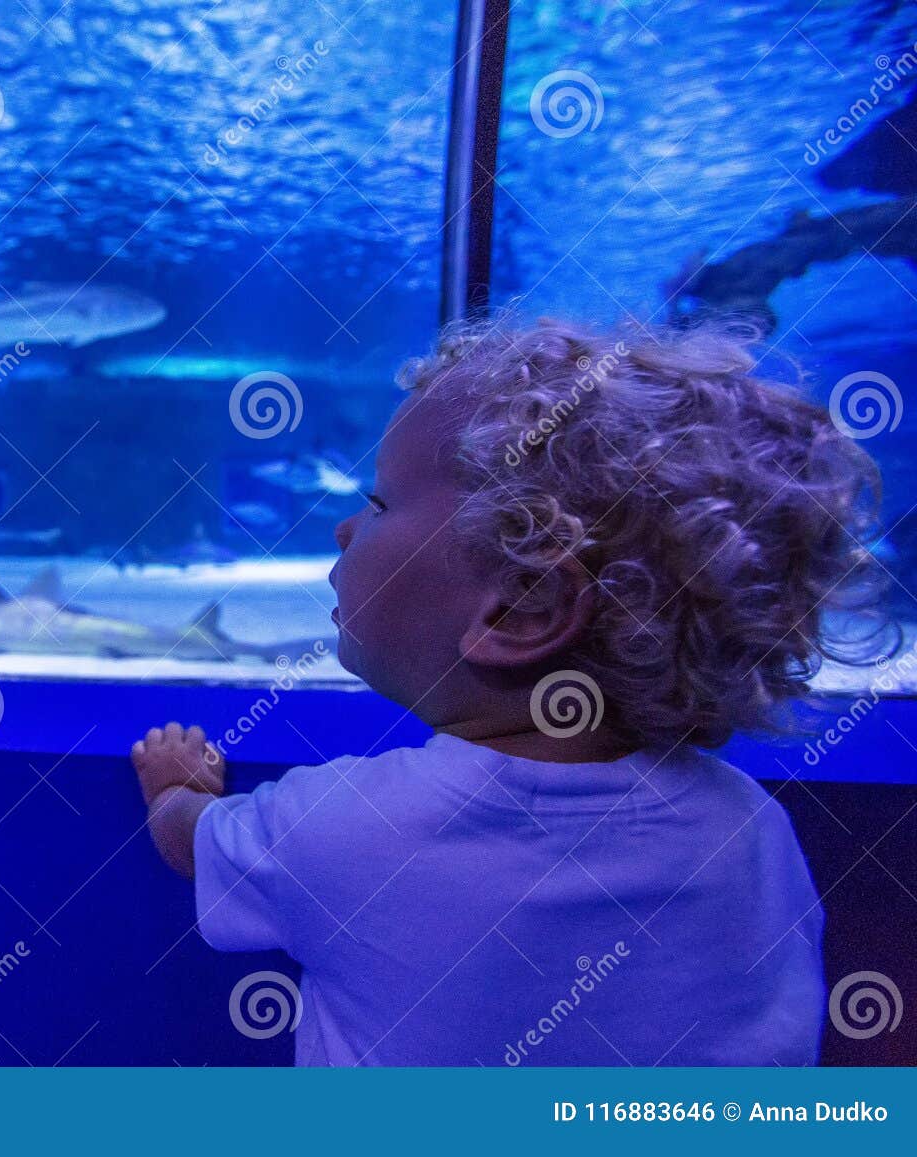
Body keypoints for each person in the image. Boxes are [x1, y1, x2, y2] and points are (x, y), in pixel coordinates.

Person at [132, 316, 896, 1065]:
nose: (343, 530)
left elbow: (197, 841)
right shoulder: (750, 830)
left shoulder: (353, 827)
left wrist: (175, 789)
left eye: (378, 503)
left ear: (524, 606)